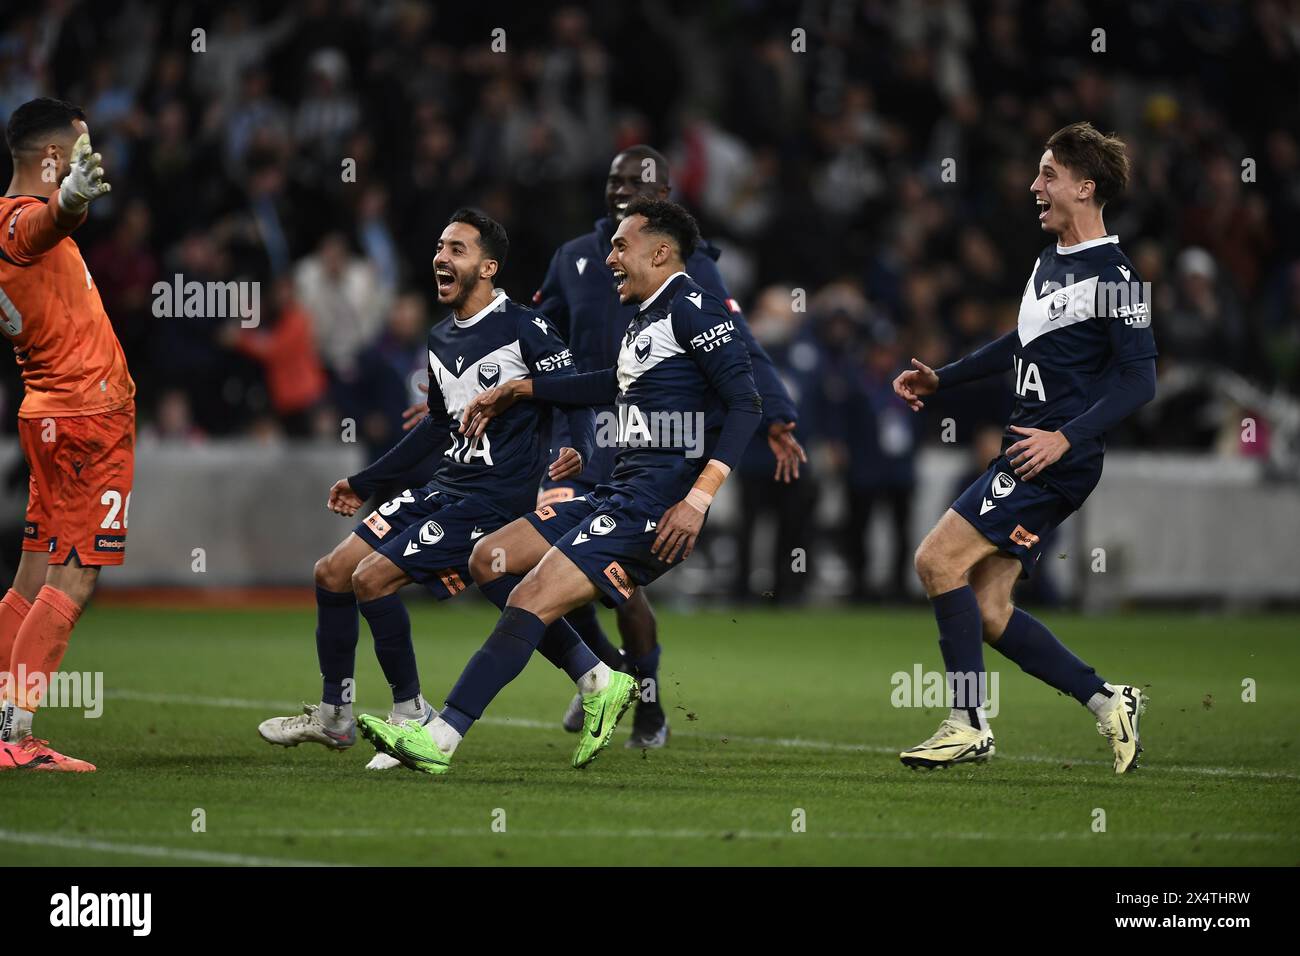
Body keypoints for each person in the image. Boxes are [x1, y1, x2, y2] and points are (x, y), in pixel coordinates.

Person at [359, 198, 761, 774]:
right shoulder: (647, 317)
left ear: (661, 251)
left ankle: (440, 738)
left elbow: (745, 402)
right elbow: (605, 385)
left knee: (529, 597)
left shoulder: (695, 308)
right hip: (617, 491)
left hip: (654, 506)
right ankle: (602, 681)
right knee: (489, 560)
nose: (611, 256)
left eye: (622, 245)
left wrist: (698, 499)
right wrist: (519, 390)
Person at [256, 210, 593, 771]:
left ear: (488, 267)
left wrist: (573, 444)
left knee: (372, 579)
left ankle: (411, 712)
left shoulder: (525, 327)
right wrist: (367, 483)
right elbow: (438, 429)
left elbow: (571, 391)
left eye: (457, 249)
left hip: (492, 499)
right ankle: (335, 717)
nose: (442, 256)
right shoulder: (439, 338)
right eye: (440, 245)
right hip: (446, 486)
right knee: (332, 572)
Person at [892, 122, 1156, 773]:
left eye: (1049, 175)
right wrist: (944, 378)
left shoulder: (1118, 276)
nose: (1035, 186)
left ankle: (968, 720)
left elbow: (1140, 380)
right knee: (987, 608)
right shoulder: (1050, 260)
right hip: (1026, 450)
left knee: (934, 560)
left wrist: (1066, 437)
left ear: (1085, 186)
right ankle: (1107, 700)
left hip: (1051, 457)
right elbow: (1022, 344)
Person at [0, 98, 134, 772]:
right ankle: (14, 735)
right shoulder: (22, 222)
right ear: (52, 159)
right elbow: (44, 225)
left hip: (49, 413)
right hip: (88, 419)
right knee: (76, 578)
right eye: (81, 150)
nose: (91, 160)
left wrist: (68, 204)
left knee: (29, 576)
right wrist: (71, 201)